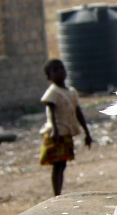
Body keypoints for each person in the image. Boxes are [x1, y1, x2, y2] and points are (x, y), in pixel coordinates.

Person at [38, 59, 93, 196]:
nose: (60, 72)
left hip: (66, 133)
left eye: (61, 68)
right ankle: (56, 193)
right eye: (55, 70)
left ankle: (58, 193)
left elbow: (78, 113)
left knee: (62, 164)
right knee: (57, 165)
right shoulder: (53, 92)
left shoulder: (72, 92)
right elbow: (51, 112)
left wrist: (87, 133)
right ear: (49, 77)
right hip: (56, 135)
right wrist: (55, 130)